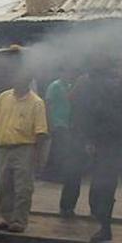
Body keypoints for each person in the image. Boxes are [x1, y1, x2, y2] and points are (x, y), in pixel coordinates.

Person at [78, 64, 122, 243]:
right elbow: (92, 113)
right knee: (107, 188)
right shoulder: (106, 87)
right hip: (111, 145)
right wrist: (91, 138)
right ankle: (108, 228)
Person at [0, 72, 49, 233]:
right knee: (4, 186)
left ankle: (19, 221)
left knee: (23, 187)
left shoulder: (36, 103)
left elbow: (41, 133)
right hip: (3, 147)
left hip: (24, 148)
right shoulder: (4, 97)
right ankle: (7, 218)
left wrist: (38, 156)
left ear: (28, 82)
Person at [46, 66, 83, 217]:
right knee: (59, 150)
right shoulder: (55, 85)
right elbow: (48, 104)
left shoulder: (69, 86)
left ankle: (57, 173)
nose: (69, 74)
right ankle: (54, 173)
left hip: (69, 123)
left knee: (64, 152)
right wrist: (49, 123)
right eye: (66, 71)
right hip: (58, 122)